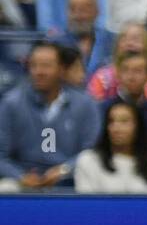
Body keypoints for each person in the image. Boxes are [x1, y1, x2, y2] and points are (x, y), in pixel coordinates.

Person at [0, 41, 100, 191]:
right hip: (23, 180)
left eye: (46, 65)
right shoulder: (11, 103)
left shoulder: (85, 104)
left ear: (61, 69)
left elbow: (92, 151)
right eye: (34, 65)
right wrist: (20, 176)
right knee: (6, 189)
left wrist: (65, 169)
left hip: (71, 179)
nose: (39, 72)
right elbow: (1, 156)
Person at [90, 49, 147, 154]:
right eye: (125, 70)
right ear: (117, 73)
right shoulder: (101, 111)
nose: (131, 76)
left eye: (138, 71)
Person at [87, 22, 147, 117]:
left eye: (136, 38)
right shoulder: (103, 78)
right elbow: (93, 113)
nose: (130, 43)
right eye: (124, 38)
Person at [73, 99, 147, 192]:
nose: (116, 128)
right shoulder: (89, 160)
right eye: (111, 121)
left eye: (124, 121)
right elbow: (86, 204)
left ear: (138, 127)